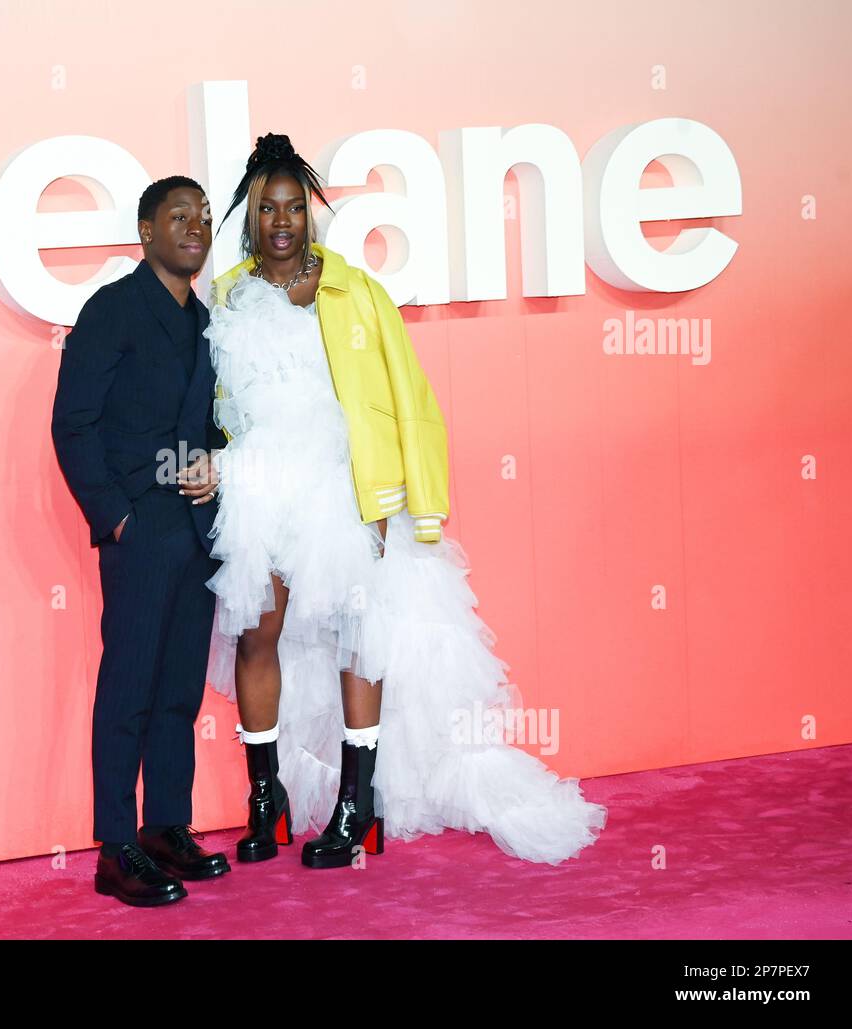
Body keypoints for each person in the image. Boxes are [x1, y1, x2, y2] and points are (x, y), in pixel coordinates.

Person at [195, 133, 608, 869]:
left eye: (295, 207)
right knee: (257, 634)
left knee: (361, 634)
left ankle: (360, 805)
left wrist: (411, 502)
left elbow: (408, 398)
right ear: (248, 217)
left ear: (312, 215)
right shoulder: (227, 294)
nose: (282, 221)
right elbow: (218, 398)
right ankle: (269, 798)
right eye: (267, 208)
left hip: (342, 482)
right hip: (260, 484)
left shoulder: (356, 290)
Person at [51, 176, 231, 906]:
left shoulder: (206, 322)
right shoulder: (112, 311)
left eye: (203, 217)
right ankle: (116, 848)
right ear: (147, 231)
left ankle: (165, 827)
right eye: (178, 216)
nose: (195, 227)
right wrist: (115, 516)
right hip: (141, 529)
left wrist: (218, 466)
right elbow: (73, 422)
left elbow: (215, 424)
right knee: (127, 686)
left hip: (197, 528)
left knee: (178, 690)